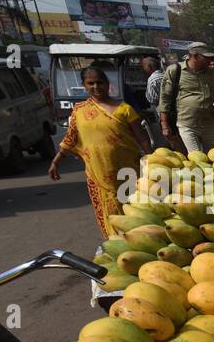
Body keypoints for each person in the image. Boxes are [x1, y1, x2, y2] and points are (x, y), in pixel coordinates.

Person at [48, 64, 151, 237]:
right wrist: (56, 161)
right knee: (110, 213)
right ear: (84, 85)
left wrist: (150, 160)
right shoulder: (79, 111)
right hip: (98, 173)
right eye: (91, 83)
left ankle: (140, 241)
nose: (96, 87)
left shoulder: (125, 109)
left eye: (100, 82)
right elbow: (70, 139)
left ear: (107, 83)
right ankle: (115, 243)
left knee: (135, 209)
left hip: (128, 169)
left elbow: (142, 138)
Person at [158, 43, 214, 154]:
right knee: (196, 158)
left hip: (209, 123)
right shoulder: (175, 70)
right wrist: (164, 125)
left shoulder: (212, 73)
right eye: (206, 58)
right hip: (187, 124)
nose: (209, 61)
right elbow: (165, 98)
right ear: (194, 55)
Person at [141, 55, 166, 149]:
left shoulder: (152, 80)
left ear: (149, 67)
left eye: (144, 67)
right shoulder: (165, 75)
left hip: (162, 112)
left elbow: (152, 99)